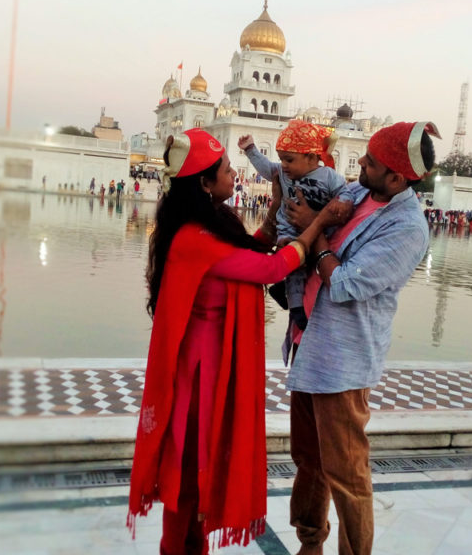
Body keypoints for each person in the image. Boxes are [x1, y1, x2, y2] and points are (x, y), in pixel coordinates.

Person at [127, 128, 339, 554]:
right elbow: (269, 269)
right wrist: (318, 223)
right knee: (188, 481)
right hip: (199, 378)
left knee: (199, 482)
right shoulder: (193, 237)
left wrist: (276, 210)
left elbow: (246, 255)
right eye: (226, 169)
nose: (233, 176)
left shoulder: (209, 226)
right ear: (205, 183)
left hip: (212, 367)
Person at [284, 121, 440, 555]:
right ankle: (310, 543)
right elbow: (321, 218)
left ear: (397, 177)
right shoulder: (358, 192)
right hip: (309, 341)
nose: (361, 166)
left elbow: (347, 283)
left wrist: (316, 240)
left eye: (371, 163)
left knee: (347, 474)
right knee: (309, 462)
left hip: (343, 362)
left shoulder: (408, 227)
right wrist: (317, 228)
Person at [238, 119, 349, 331]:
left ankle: (285, 292)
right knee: (293, 264)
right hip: (288, 229)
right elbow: (265, 168)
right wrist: (251, 149)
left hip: (320, 230)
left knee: (307, 264)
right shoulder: (282, 172)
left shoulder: (328, 176)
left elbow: (344, 192)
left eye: (289, 160)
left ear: (310, 158)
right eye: (281, 160)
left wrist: (343, 204)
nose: (284, 165)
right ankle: (296, 307)